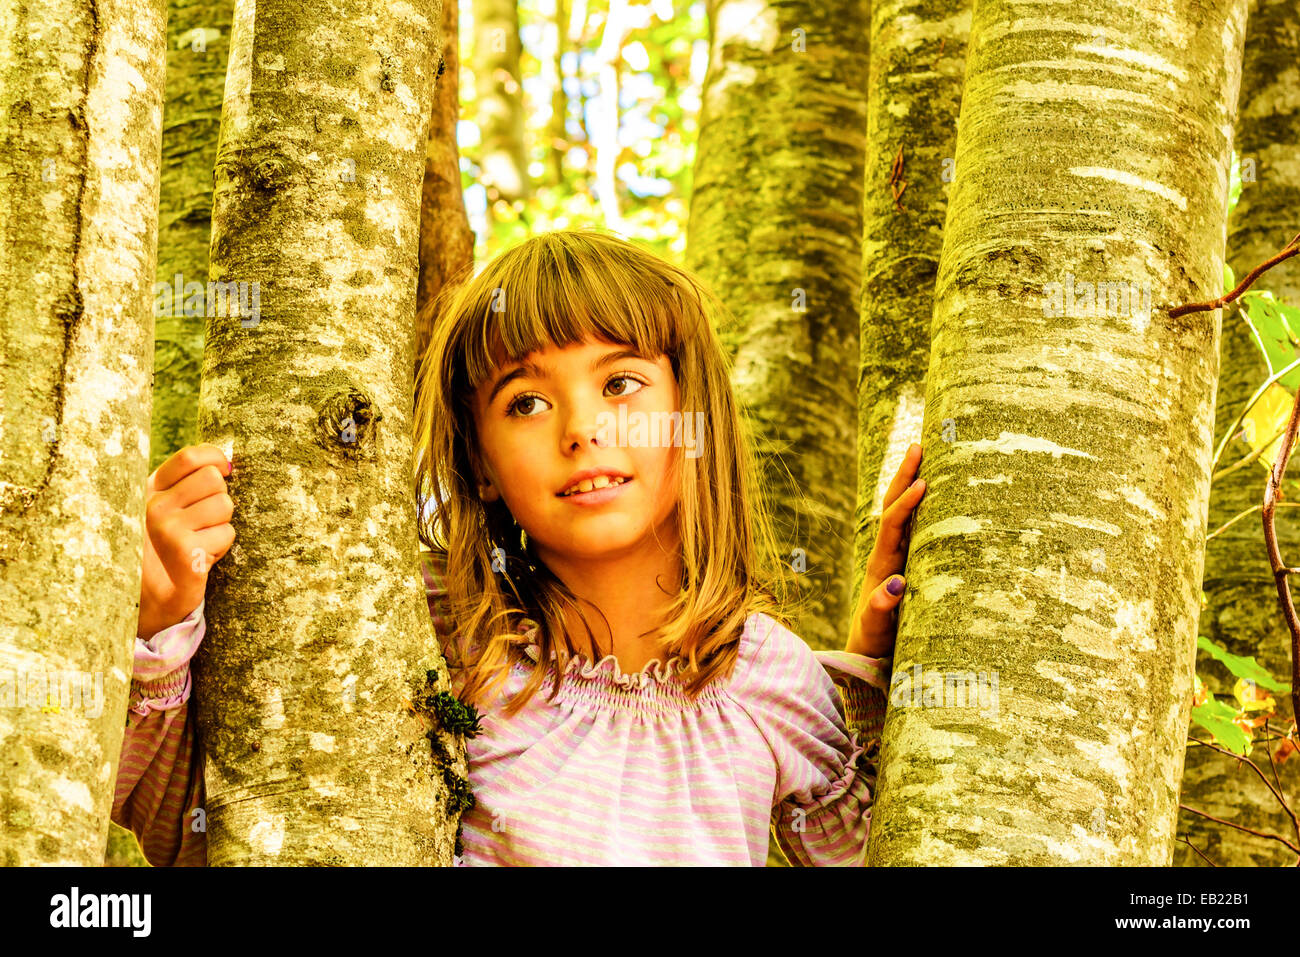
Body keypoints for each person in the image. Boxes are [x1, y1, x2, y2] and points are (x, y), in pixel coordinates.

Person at [116, 228, 926, 866]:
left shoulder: (768, 677)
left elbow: (897, 852)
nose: (582, 429)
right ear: (483, 464)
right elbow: (197, 828)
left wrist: (878, 667)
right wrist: (161, 627)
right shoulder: (426, 634)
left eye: (621, 384)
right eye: (528, 401)